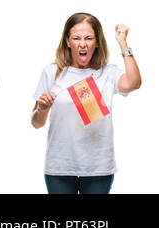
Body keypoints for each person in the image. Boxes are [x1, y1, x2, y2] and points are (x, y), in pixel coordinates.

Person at [31, 13, 141, 194]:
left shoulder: (108, 73)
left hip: (98, 167)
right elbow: (36, 123)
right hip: (60, 166)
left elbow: (134, 83)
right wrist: (42, 109)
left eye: (89, 38)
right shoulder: (51, 72)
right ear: (67, 41)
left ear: (97, 42)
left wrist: (123, 43)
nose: (82, 44)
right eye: (76, 38)